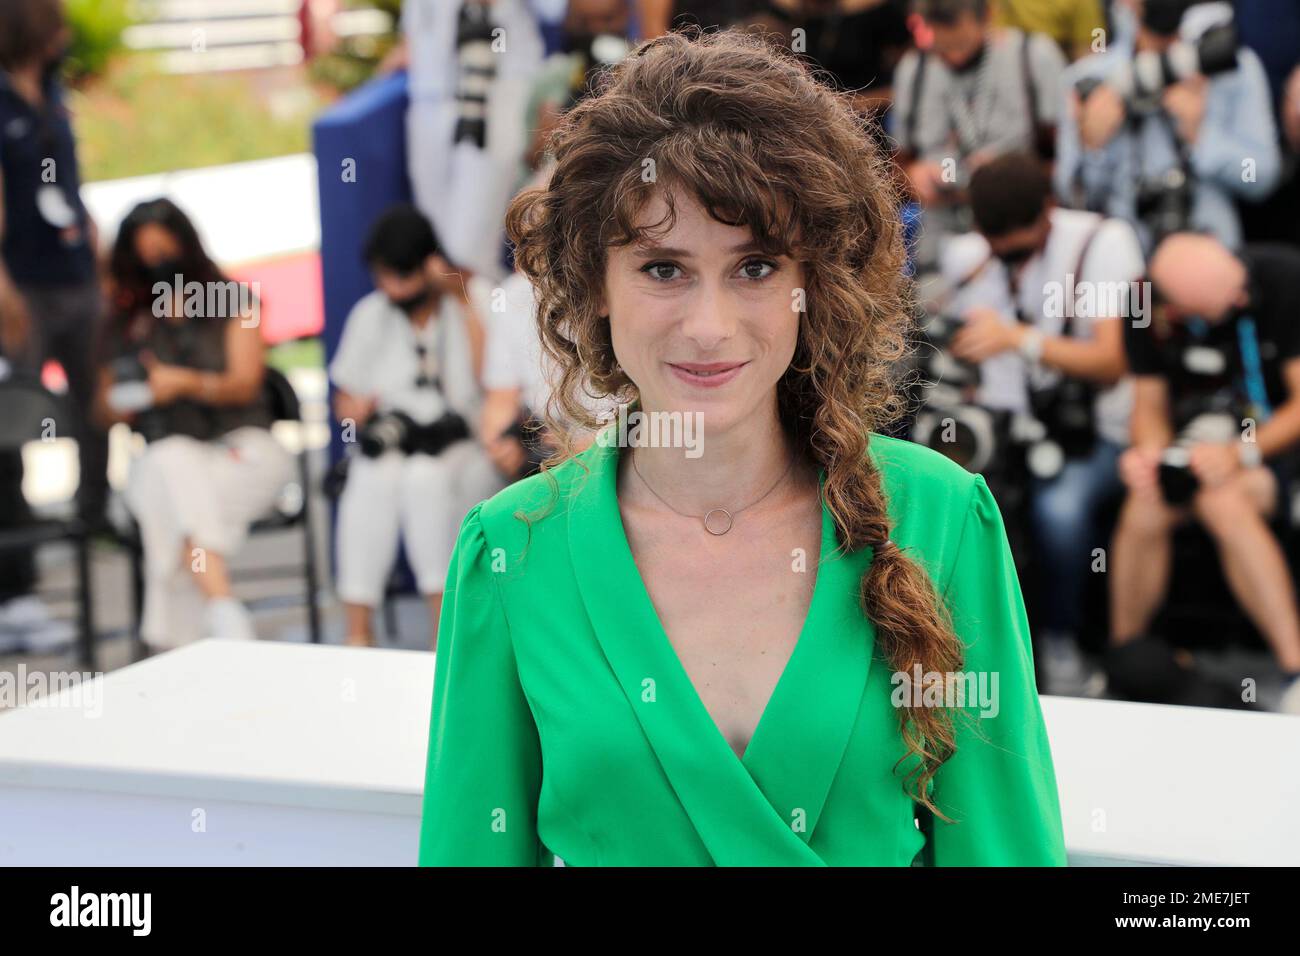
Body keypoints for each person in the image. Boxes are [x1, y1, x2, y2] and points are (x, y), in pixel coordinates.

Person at [418, 29, 1065, 866]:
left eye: (755, 266)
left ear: (813, 282)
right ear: (595, 287)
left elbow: (1003, 849)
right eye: (663, 269)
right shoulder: (510, 553)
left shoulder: (939, 518)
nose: (710, 326)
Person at [941, 151, 1140, 694]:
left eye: (1022, 250)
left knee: (1059, 513)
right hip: (1002, 426)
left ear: (1050, 211)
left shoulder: (1103, 243)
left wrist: (1018, 340)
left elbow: (1112, 361)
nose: (1010, 259)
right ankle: (959, 656)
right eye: (999, 250)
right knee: (955, 501)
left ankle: (1061, 646)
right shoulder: (970, 258)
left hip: (1090, 433)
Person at [1110, 232, 1300, 714]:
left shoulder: (1279, 280)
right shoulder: (1144, 306)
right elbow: (1147, 404)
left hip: (1268, 448)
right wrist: (1150, 454)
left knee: (1223, 501)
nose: (1242, 299)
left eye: (1238, 291)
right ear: (1176, 311)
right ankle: (1126, 657)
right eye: (1227, 303)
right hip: (1189, 446)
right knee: (1146, 499)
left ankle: (1294, 668)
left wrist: (1240, 453)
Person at [94, 199, 294, 651]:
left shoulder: (232, 301)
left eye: (165, 254)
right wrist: (128, 398)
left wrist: (185, 384)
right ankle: (222, 607)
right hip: (167, 454)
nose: (158, 266)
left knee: (168, 499)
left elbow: (245, 385)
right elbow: (102, 411)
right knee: (169, 459)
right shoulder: (127, 321)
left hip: (240, 449)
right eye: (146, 257)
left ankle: (177, 649)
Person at [329, 204, 500, 649]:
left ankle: (442, 633)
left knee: (425, 479)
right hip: (394, 448)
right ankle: (357, 634)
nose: (390, 287)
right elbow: (343, 400)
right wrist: (359, 411)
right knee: (369, 478)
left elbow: (494, 378)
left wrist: (460, 300)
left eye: (399, 275)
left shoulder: (472, 298)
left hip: (465, 441)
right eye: (382, 276)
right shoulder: (371, 313)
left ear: (428, 265)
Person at [1054, 0, 1281, 252]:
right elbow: (1071, 201)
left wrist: (1202, 137)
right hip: (1129, 263)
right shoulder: (1090, 80)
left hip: (1211, 253)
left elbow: (1260, 179)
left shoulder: (1229, 64)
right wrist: (1093, 147)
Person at [381, 0, 555, 280]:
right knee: (437, 248)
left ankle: (491, 314)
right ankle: (469, 318)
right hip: (430, 102)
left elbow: (564, 10)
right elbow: (417, 31)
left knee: (469, 253)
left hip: (500, 99)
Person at [890, 0, 1067, 263]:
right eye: (941, 48)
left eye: (961, 44)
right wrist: (914, 177)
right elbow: (897, 165)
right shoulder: (914, 69)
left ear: (987, 16)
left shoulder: (1033, 57)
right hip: (942, 239)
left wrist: (1009, 176)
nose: (954, 57)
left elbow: (1067, 159)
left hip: (1022, 233)